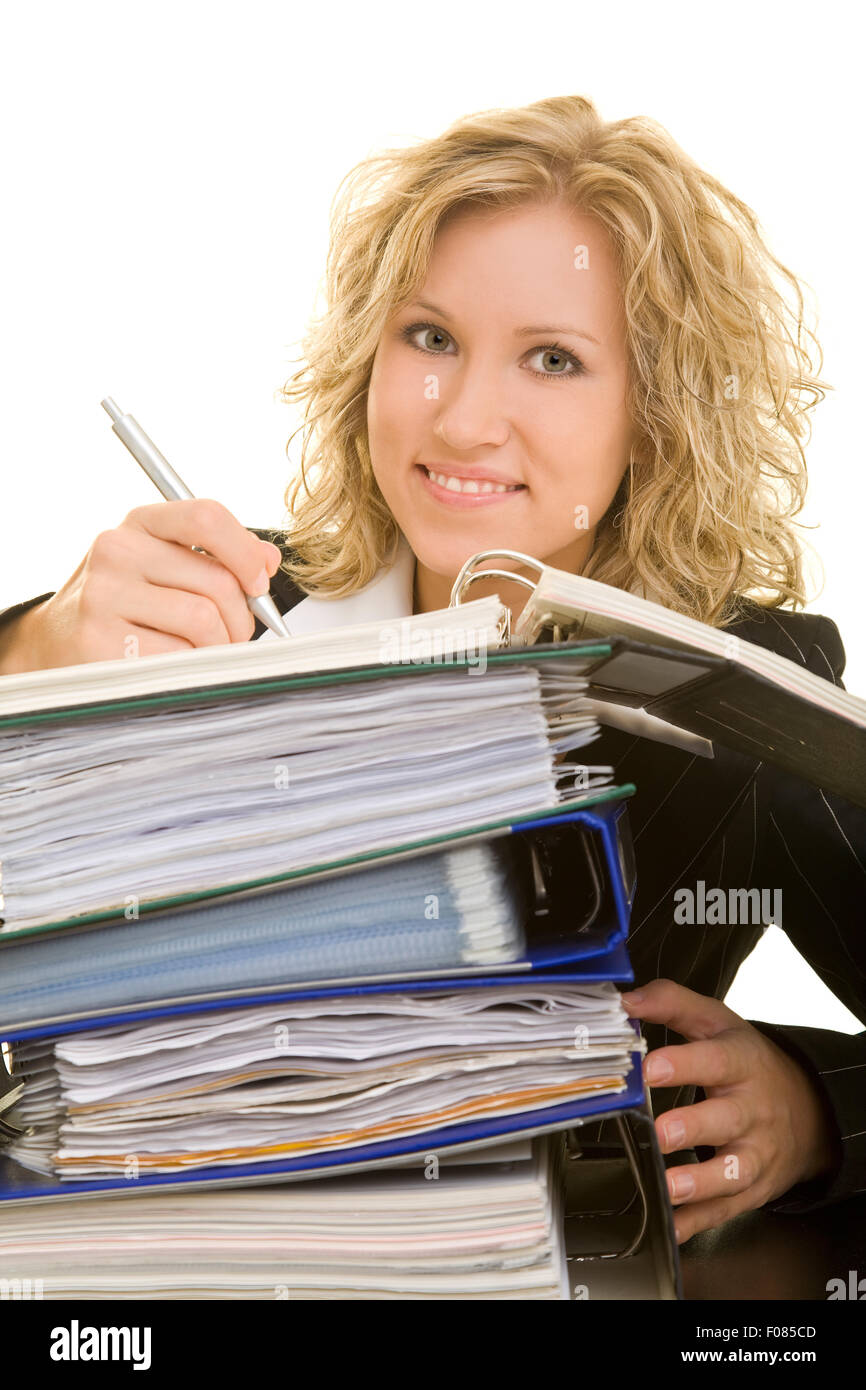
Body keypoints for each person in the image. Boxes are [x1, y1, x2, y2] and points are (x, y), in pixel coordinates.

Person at [0, 94, 863, 1248]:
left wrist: (813, 1110)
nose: (461, 420)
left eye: (551, 359)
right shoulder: (205, 603)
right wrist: (27, 675)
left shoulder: (748, 678)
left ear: (653, 413)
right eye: (430, 338)